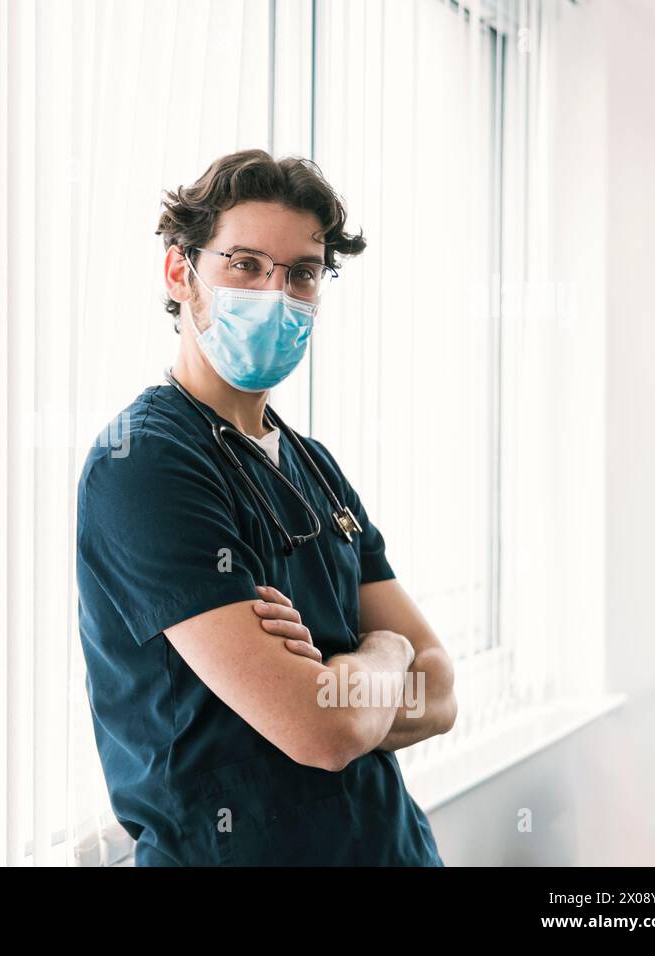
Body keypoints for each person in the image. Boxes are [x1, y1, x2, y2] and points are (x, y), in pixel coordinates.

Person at [75, 149, 456, 866]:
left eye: (302, 274)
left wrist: (350, 681)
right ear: (180, 273)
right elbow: (322, 731)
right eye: (245, 265)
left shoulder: (313, 464)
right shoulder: (145, 464)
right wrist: (382, 653)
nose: (276, 294)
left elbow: (440, 690)